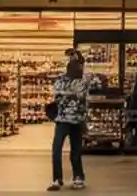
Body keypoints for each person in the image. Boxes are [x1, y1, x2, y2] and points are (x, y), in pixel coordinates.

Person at [49, 54, 90, 191]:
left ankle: (78, 177)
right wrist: (71, 95)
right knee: (57, 149)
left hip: (76, 120)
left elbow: (80, 97)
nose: (80, 71)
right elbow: (60, 96)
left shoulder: (82, 81)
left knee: (76, 150)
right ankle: (57, 179)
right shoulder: (62, 80)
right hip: (63, 119)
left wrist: (67, 95)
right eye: (78, 68)